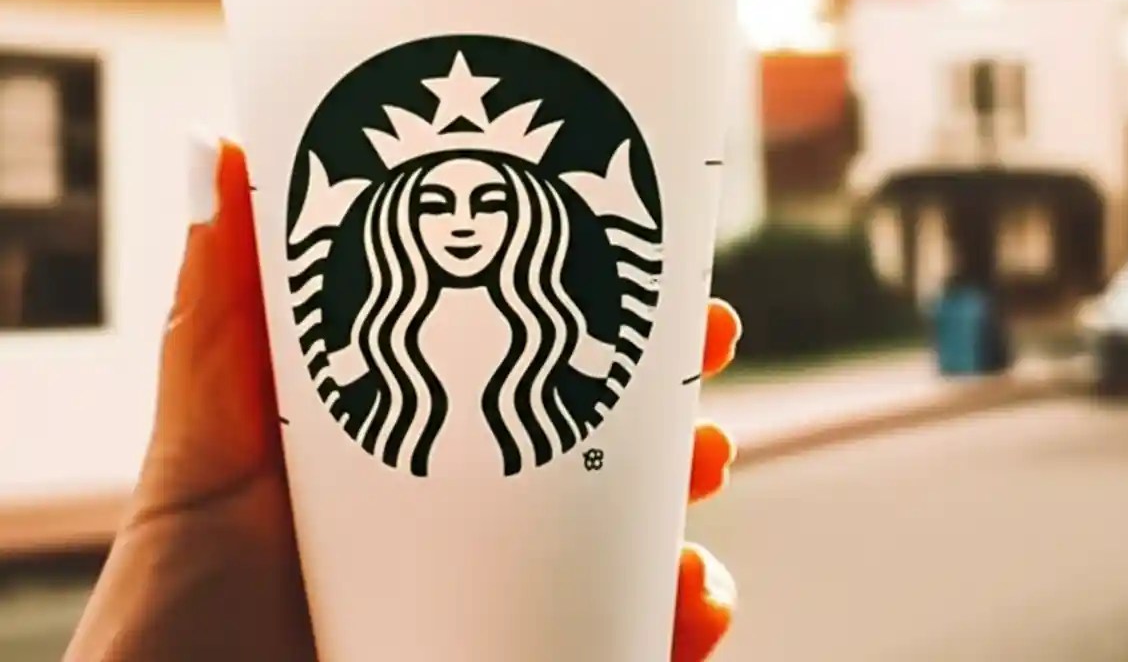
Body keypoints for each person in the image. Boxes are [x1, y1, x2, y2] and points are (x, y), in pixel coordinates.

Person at [63, 142, 742, 662]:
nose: (464, 224)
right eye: (436, 204)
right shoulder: (369, 352)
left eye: (491, 204)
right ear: (399, 219)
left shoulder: (579, 347)